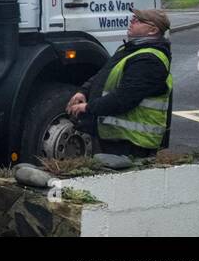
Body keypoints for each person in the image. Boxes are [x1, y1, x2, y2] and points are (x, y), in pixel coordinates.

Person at [66, 8, 173, 158]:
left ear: (152, 30)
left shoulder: (149, 59)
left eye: (138, 20)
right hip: (118, 138)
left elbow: (124, 98)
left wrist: (88, 107)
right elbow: (104, 75)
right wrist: (83, 91)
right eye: (133, 18)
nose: (132, 21)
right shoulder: (131, 49)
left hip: (133, 143)